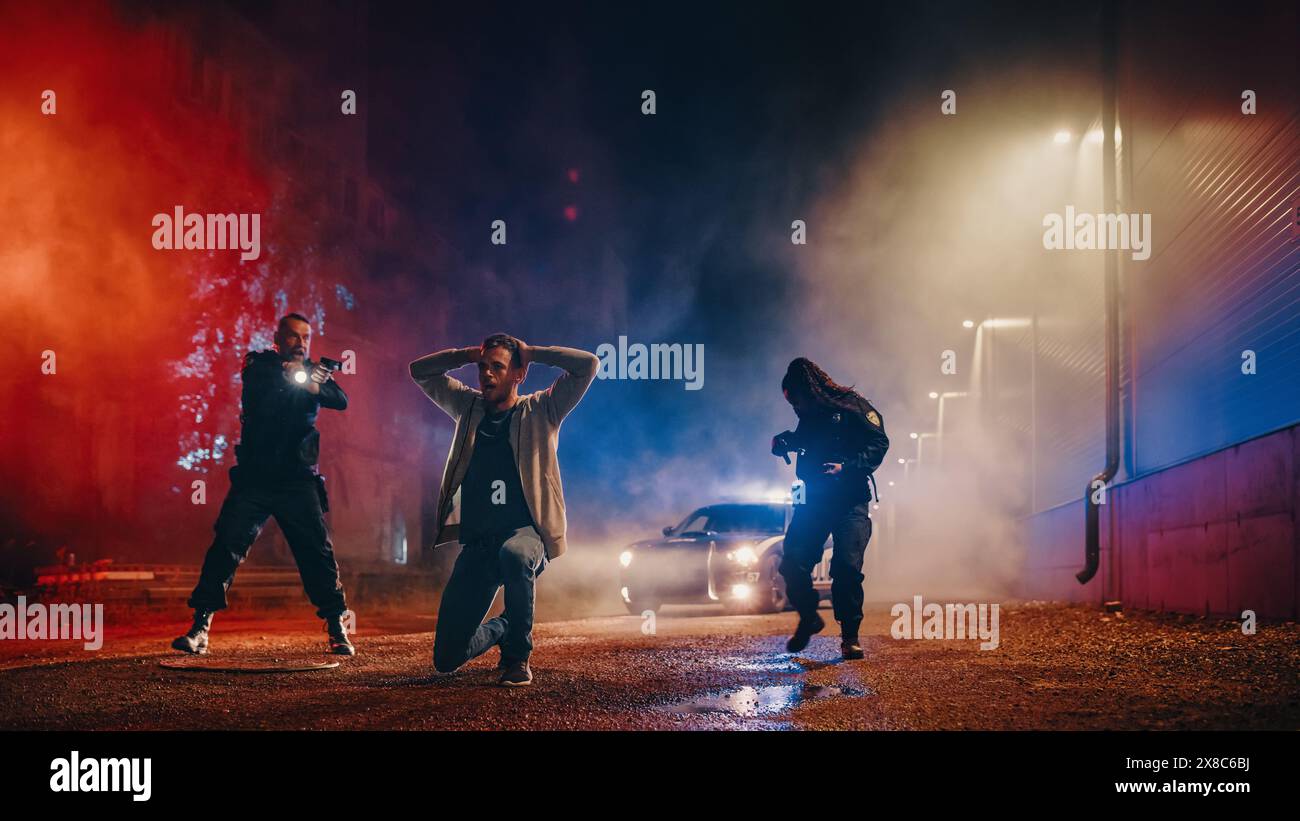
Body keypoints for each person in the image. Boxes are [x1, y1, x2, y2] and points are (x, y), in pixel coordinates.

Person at [410, 334, 597, 686]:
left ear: (518, 374)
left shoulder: (542, 409)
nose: (487, 374)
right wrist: (465, 354)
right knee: (446, 658)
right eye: (483, 367)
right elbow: (419, 371)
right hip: (479, 544)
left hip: (524, 534)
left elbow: (587, 365)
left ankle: (517, 658)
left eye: (497, 367)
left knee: (514, 554)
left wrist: (535, 351)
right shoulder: (467, 407)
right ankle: (507, 624)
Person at [172, 313, 354, 656]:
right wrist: (298, 380)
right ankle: (200, 627)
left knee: (317, 552)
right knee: (226, 545)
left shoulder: (314, 370)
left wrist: (315, 384)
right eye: (294, 336)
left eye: (306, 337)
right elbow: (264, 394)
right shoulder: (260, 366)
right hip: (255, 477)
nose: (301, 343)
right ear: (278, 338)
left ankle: (336, 626)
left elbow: (340, 400)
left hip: (297, 479)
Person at [771, 357, 889, 660]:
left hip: (850, 499)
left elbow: (879, 441)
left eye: (795, 400)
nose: (795, 407)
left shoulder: (851, 405)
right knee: (793, 562)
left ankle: (850, 637)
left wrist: (846, 467)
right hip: (813, 500)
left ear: (808, 390)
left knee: (847, 568)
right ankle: (809, 616)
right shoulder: (808, 413)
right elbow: (808, 442)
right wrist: (786, 441)